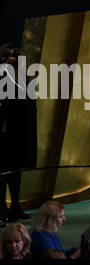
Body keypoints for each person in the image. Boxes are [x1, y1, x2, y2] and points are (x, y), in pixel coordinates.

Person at [0, 42, 35, 220]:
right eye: (13, 55)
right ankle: (1, 208)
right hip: (5, 134)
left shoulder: (21, 77)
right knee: (4, 172)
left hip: (19, 132)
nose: (17, 58)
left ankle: (15, 205)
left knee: (15, 172)